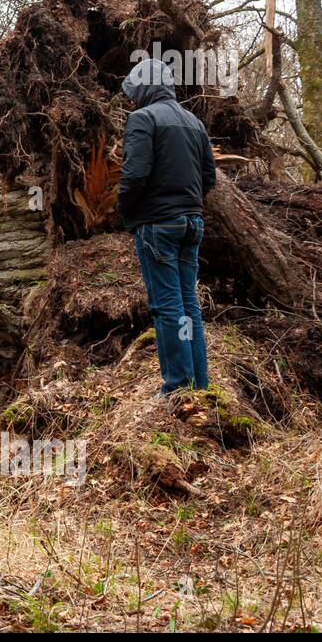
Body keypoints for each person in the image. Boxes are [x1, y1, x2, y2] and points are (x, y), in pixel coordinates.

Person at [117, 57, 216, 396]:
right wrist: (188, 205)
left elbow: (134, 175)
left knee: (167, 305)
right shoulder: (194, 122)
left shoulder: (142, 119)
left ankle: (177, 386)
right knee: (188, 303)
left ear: (144, 87)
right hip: (192, 223)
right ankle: (199, 385)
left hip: (157, 225)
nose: (131, 98)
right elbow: (209, 178)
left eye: (134, 91)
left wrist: (125, 212)